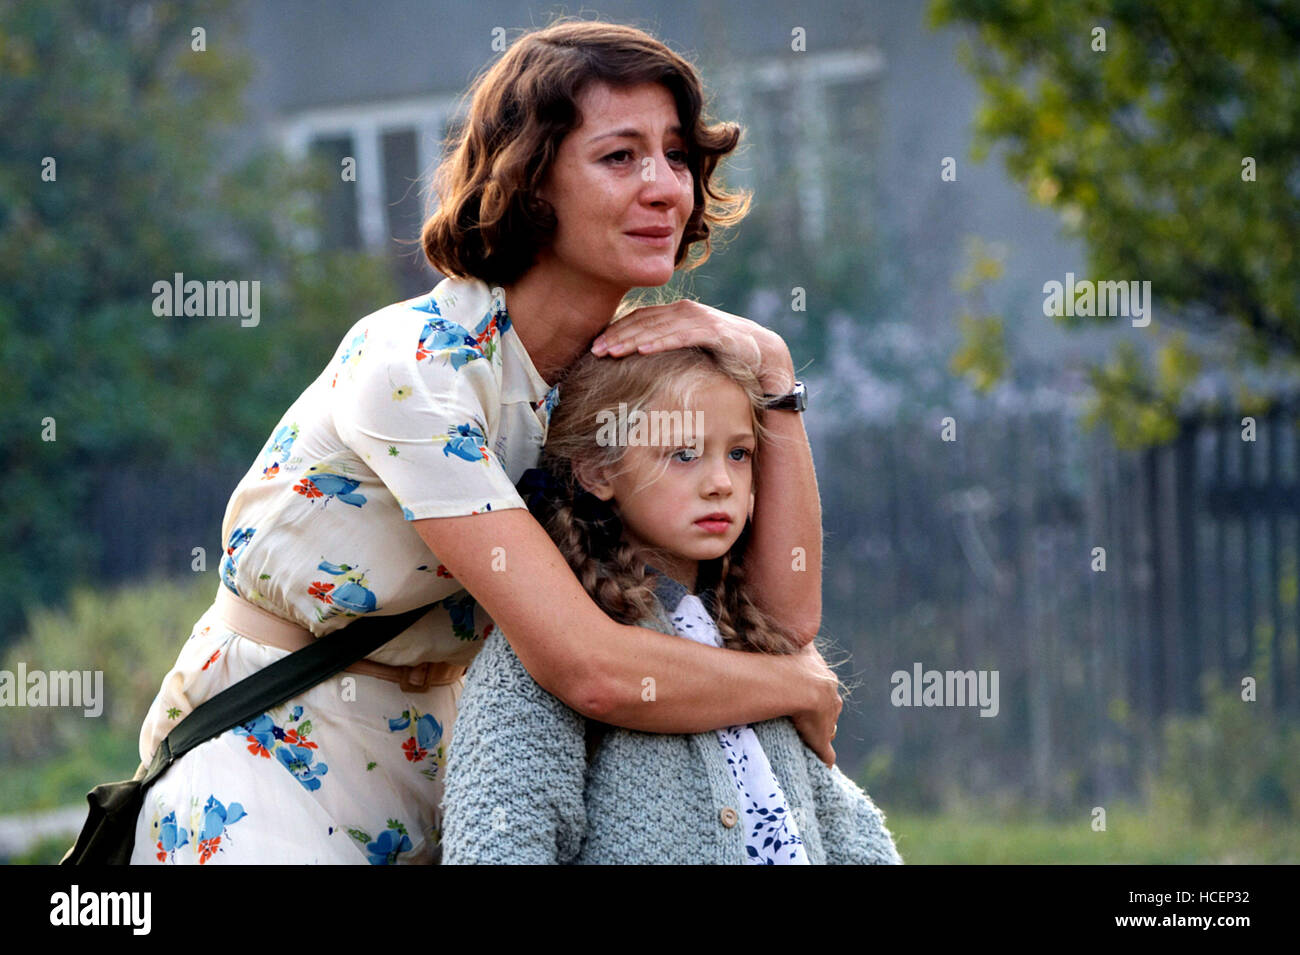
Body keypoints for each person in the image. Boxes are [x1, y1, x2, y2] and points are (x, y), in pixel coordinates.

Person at [128, 17, 840, 865]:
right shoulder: (416, 366)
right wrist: (795, 686)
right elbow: (591, 669)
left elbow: (782, 617)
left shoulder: (620, 381)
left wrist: (773, 370)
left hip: (451, 779)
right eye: (620, 156)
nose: (665, 187)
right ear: (532, 183)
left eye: (677, 155)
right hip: (269, 773)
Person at [440, 344, 902, 864]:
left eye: (739, 454)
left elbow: (843, 831)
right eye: (684, 454)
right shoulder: (545, 654)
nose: (721, 483)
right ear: (598, 470)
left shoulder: (754, 637)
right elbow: (494, 843)